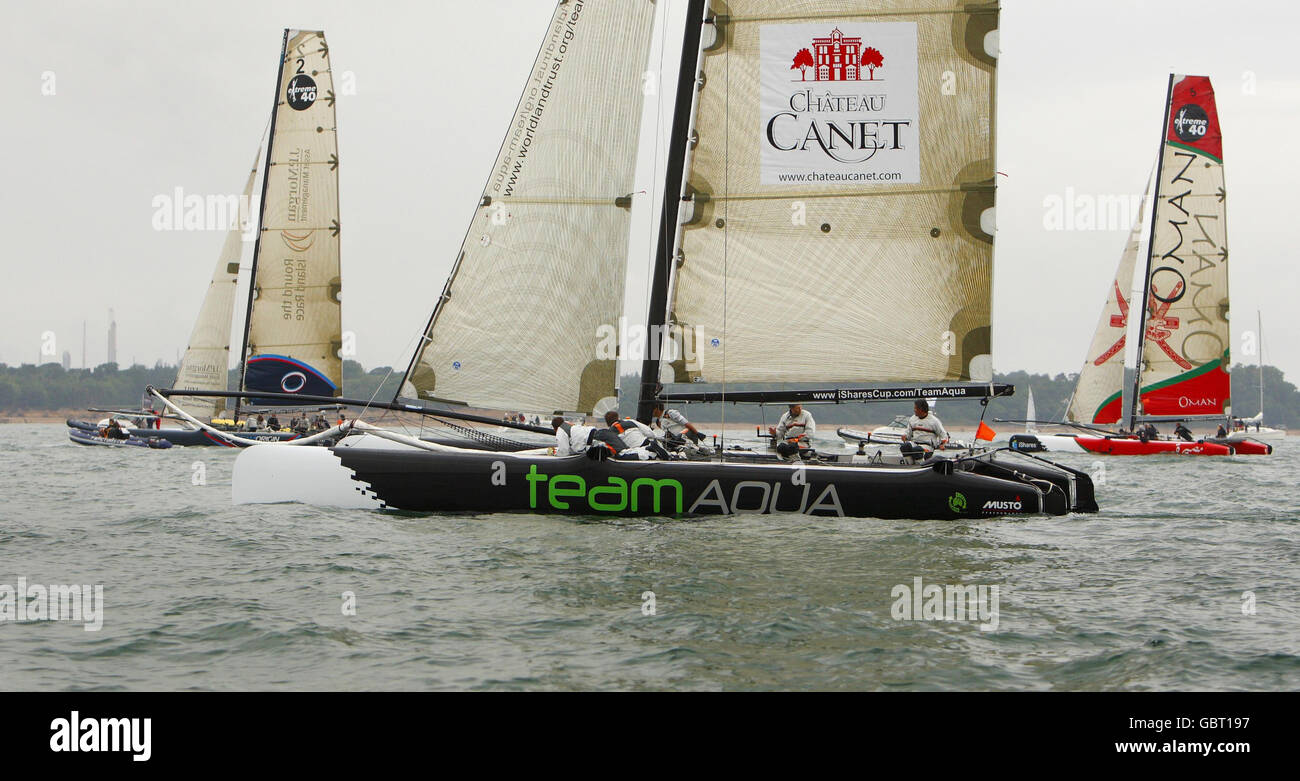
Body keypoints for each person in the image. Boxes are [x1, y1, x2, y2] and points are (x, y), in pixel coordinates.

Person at [552, 416, 629, 459]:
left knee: (623, 454)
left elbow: (564, 452)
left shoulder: (560, 430)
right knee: (625, 450)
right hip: (602, 434)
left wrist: (555, 455)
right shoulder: (570, 425)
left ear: (555, 428)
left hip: (597, 440)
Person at [604, 411, 671, 460]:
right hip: (645, 441)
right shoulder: (630, 421)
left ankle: (652, 452)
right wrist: (655, 436)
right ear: (618, 417)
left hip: (635, 449)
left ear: (607, 423)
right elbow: (648, 432)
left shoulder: (610, 434)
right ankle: (667, 455)